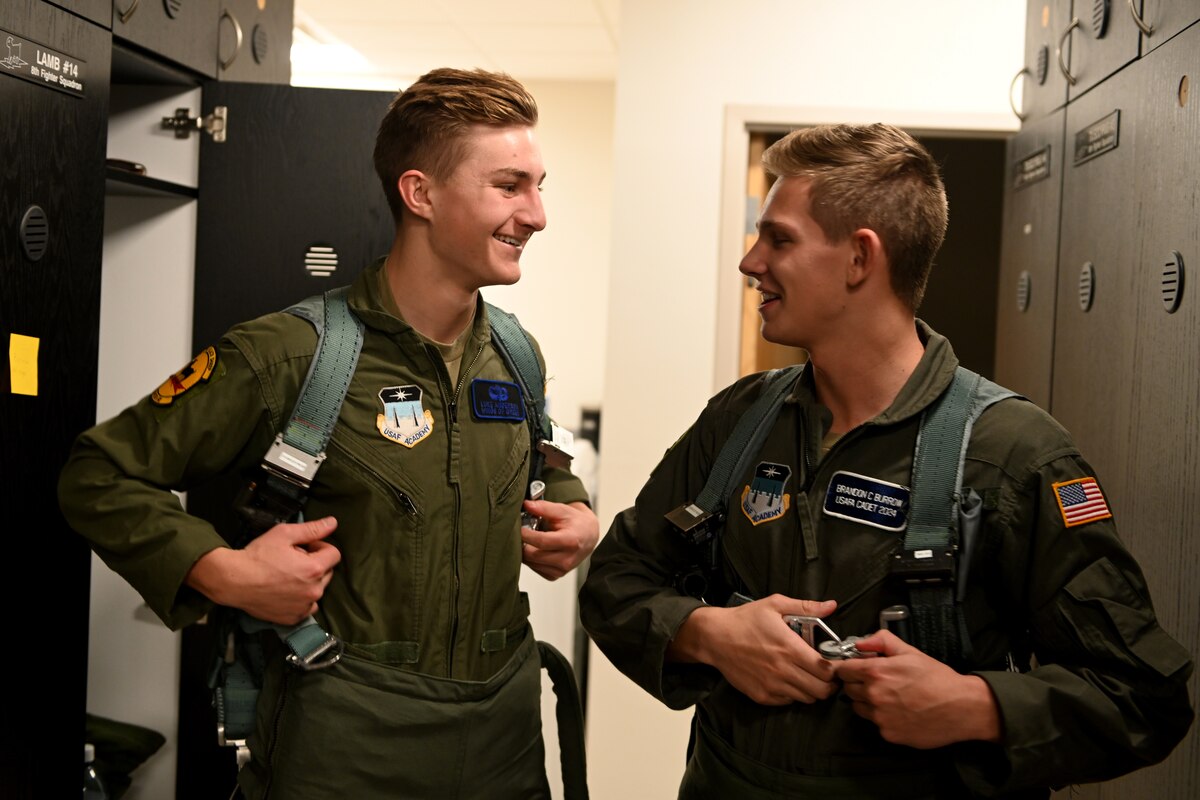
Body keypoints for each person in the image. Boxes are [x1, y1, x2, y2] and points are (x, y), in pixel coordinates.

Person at [577, 123, 1193, 799]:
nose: (751, 262)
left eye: (779, 238)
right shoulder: (741, 421)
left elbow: (1141, 696)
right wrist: (707, 633)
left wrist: (976, 706)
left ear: (860, 259)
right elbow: (615, 581)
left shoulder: (1012, 454)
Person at [59, 67, 599, 800]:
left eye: (540, 186)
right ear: (421, 194)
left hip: (504, 737)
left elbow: (542, 459)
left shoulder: (515, 353)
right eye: (510, 186)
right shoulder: (291, 355)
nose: (536, 214)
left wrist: (573, 511)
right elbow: (98, 474)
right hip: (345, 742)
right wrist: (224, 572)